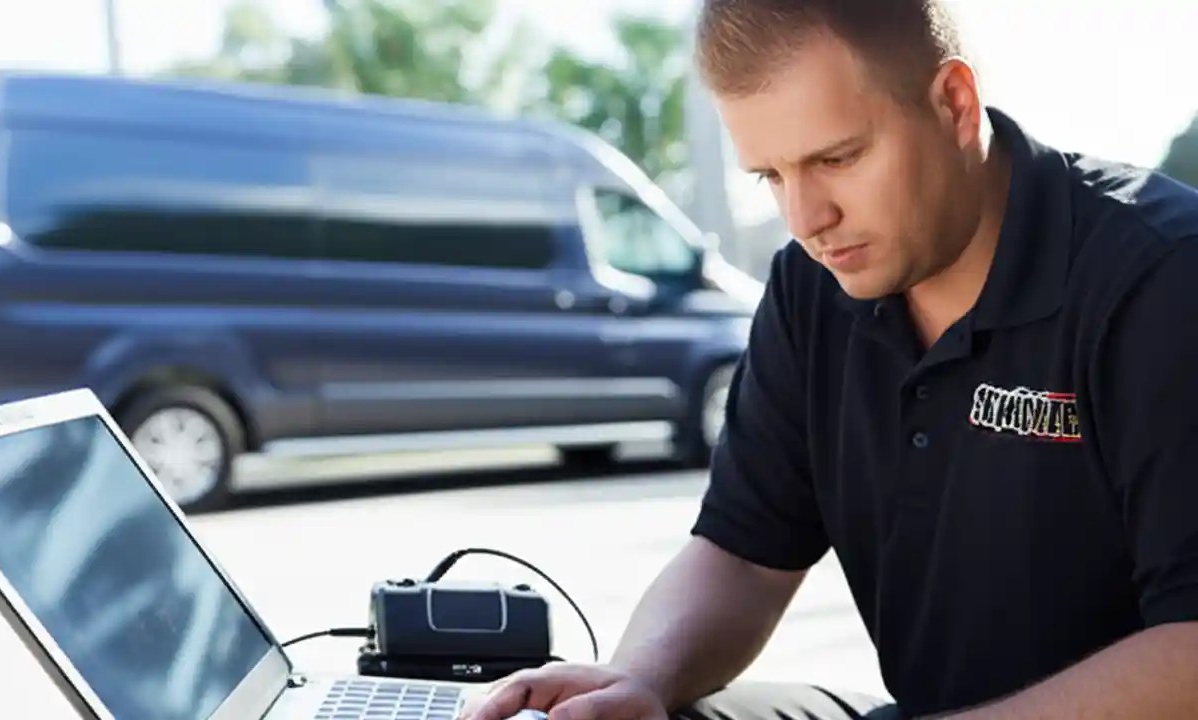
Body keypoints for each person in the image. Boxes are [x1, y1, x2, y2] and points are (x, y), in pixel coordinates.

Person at [463, 0, 1198, 718]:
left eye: (837, 158)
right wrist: (636, 680)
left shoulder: (1162, 279)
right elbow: (744, 556)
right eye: (771, 177)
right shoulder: (812, 288)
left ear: (954, 104)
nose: (807, 219)